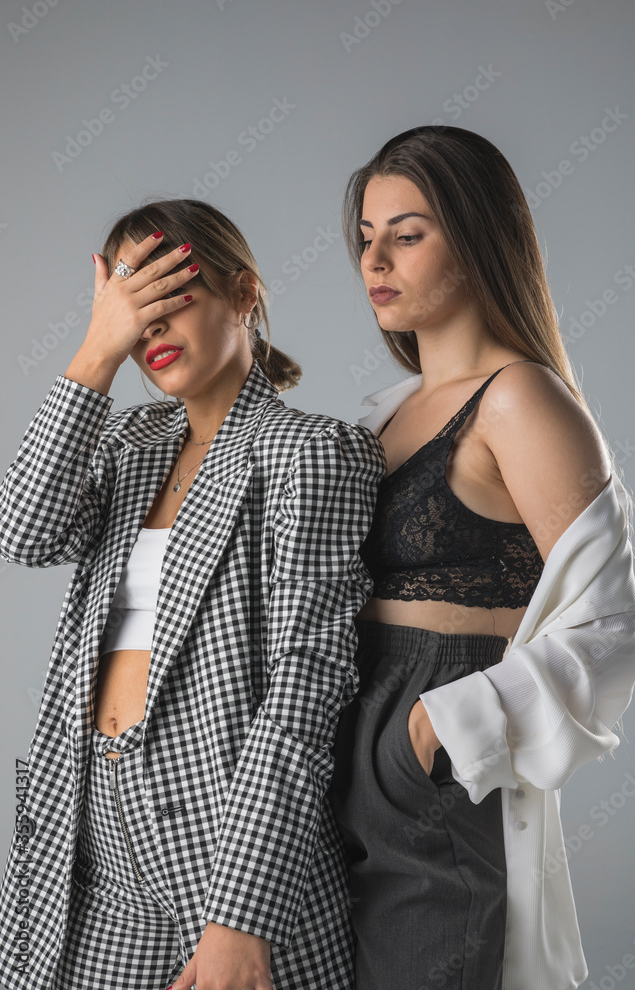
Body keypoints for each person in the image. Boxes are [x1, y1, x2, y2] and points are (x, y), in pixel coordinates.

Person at [0, 198, 385, 990]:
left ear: (244, 294)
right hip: (92, 855)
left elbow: (305, 690)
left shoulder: (311, 453)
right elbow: (23, 535)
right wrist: (94, 356)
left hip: (227, 862)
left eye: (170, 296)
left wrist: (238, 918)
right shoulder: (126, 448)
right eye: (128, 308)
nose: (150, 330)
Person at [331, 126, 635, 990]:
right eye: (365, 238)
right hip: (335, 739)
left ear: (474, 237)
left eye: (407, 233)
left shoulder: (520, 400)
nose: (375, 261)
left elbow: (607, 628)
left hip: (423, 748)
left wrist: (437, 729)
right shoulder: (382, 416)